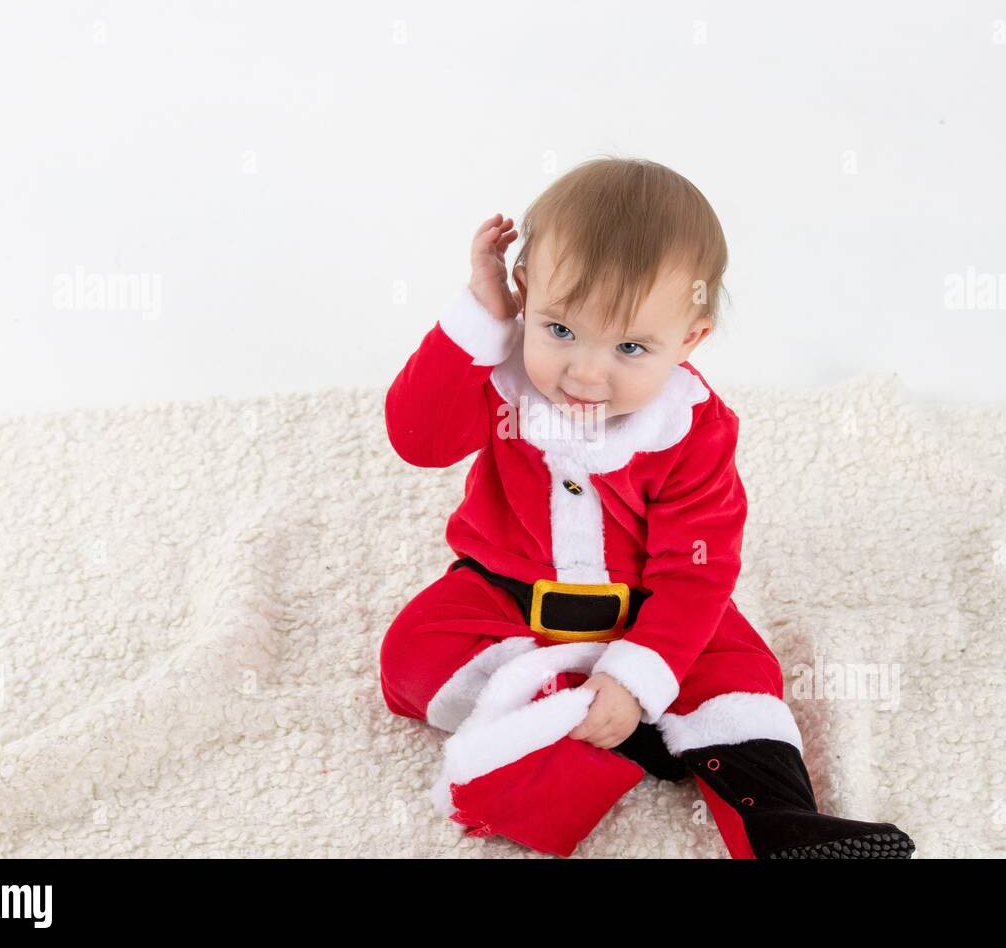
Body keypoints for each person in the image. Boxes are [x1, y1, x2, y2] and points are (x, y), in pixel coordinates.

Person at [379, 156, 915, 859]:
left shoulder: (692, 428)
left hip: (651, 607)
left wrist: (636, 676)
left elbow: (697, 571)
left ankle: (777, 826)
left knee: (739, 675)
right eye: (560, 330)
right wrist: (477, 320)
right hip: (504, 602)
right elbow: (418, 440)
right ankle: (593, 726)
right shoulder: (498, 377)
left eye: (630, 347)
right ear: (523, 292)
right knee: (412, 656)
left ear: (689, 339)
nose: (585, 374)